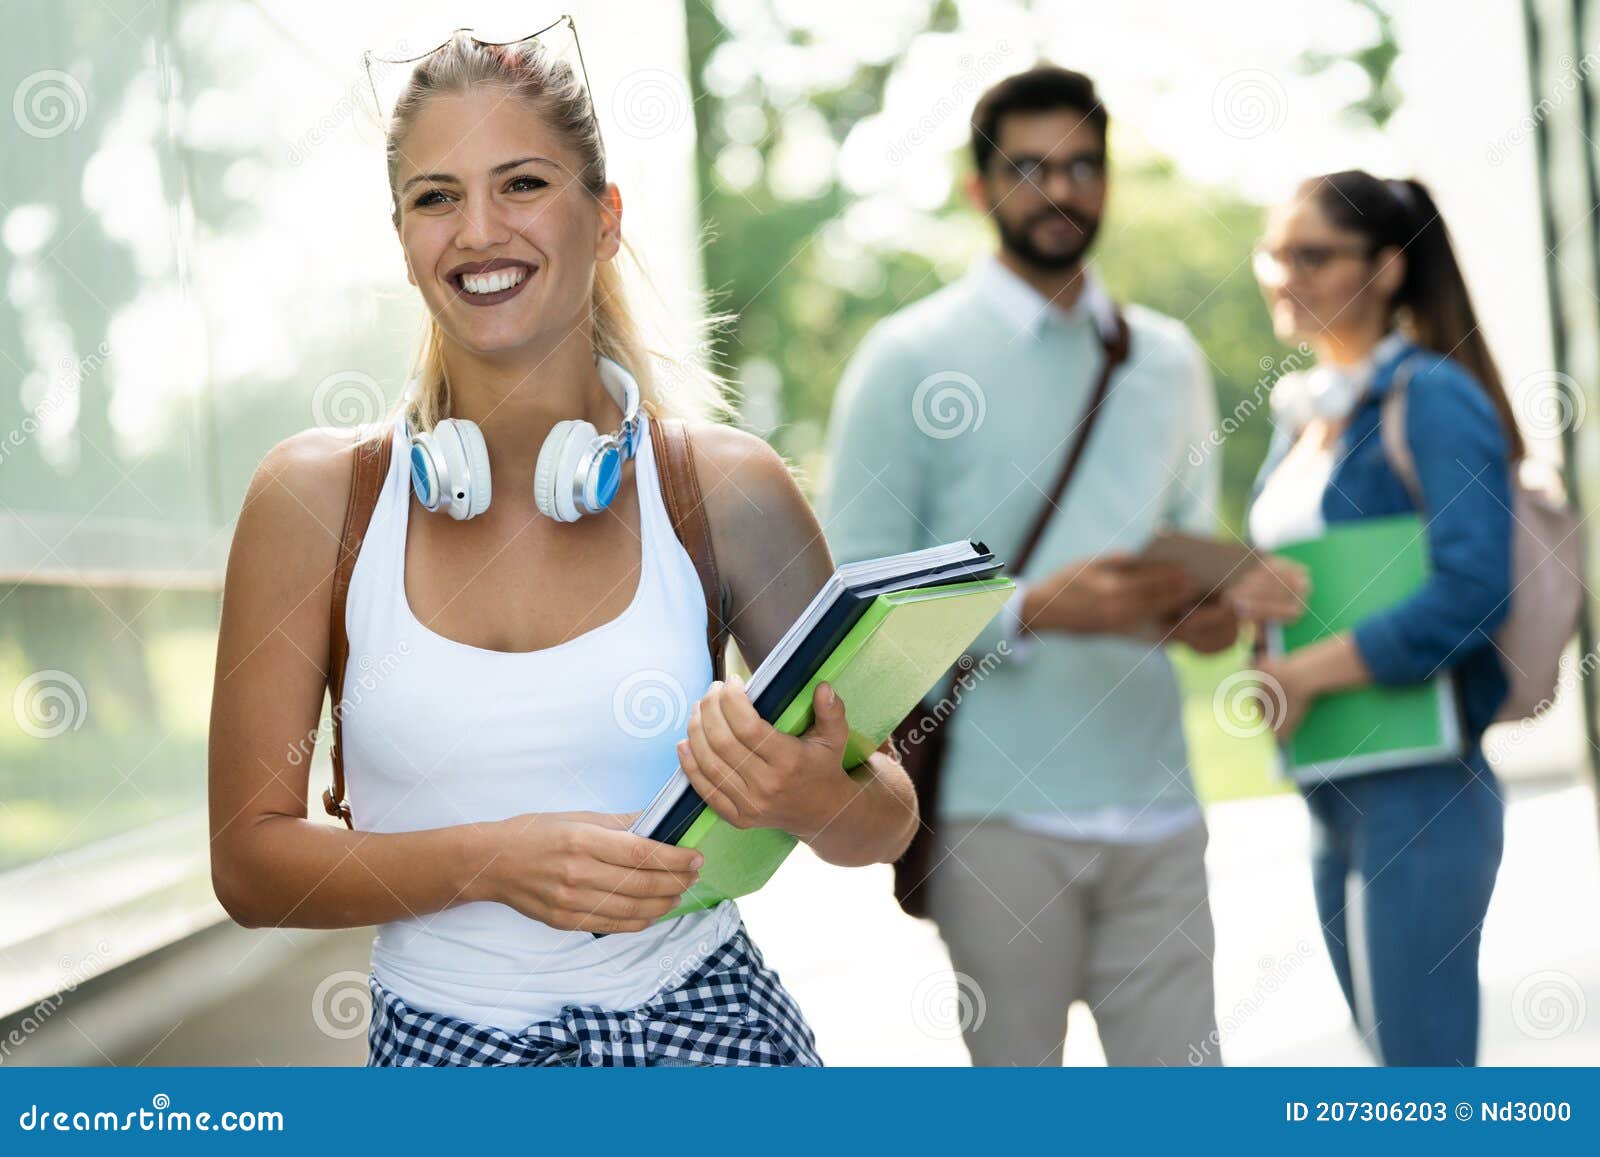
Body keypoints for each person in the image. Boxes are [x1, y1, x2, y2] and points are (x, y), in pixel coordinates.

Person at [206, 31, 918, 1067]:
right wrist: (492, 860)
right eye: (436, 197)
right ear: (403, 239)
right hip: (448, 1050)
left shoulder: (723, 488)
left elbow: (885, 818)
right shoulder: (314, 500)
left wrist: (810, 793)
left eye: (524, 183)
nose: (479, 231)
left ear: (606, 216)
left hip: (711, 1028)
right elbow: (250, 866)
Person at [822, 65, 1233, 1067]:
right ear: (979, 190)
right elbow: (852, 602)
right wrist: (1027, 611)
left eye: (1084, 165)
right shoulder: (905, 358)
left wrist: (1211, 608)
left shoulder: (1165, 359)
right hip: (991, 818)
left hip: (1158, 804)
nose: (1061, 189)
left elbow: (1189, 551)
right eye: (1031, 167)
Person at [1232, 170, 1519, 1066]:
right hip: (1332, 782)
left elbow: (1477, 586)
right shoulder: (1303, 411)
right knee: (1393, 1073)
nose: (1285, 275)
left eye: (1311, 255)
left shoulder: (1430, 397)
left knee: (1423, 1082)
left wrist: (1309, 673)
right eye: (1274, 254)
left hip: (1423, 785)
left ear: (1387, 268)